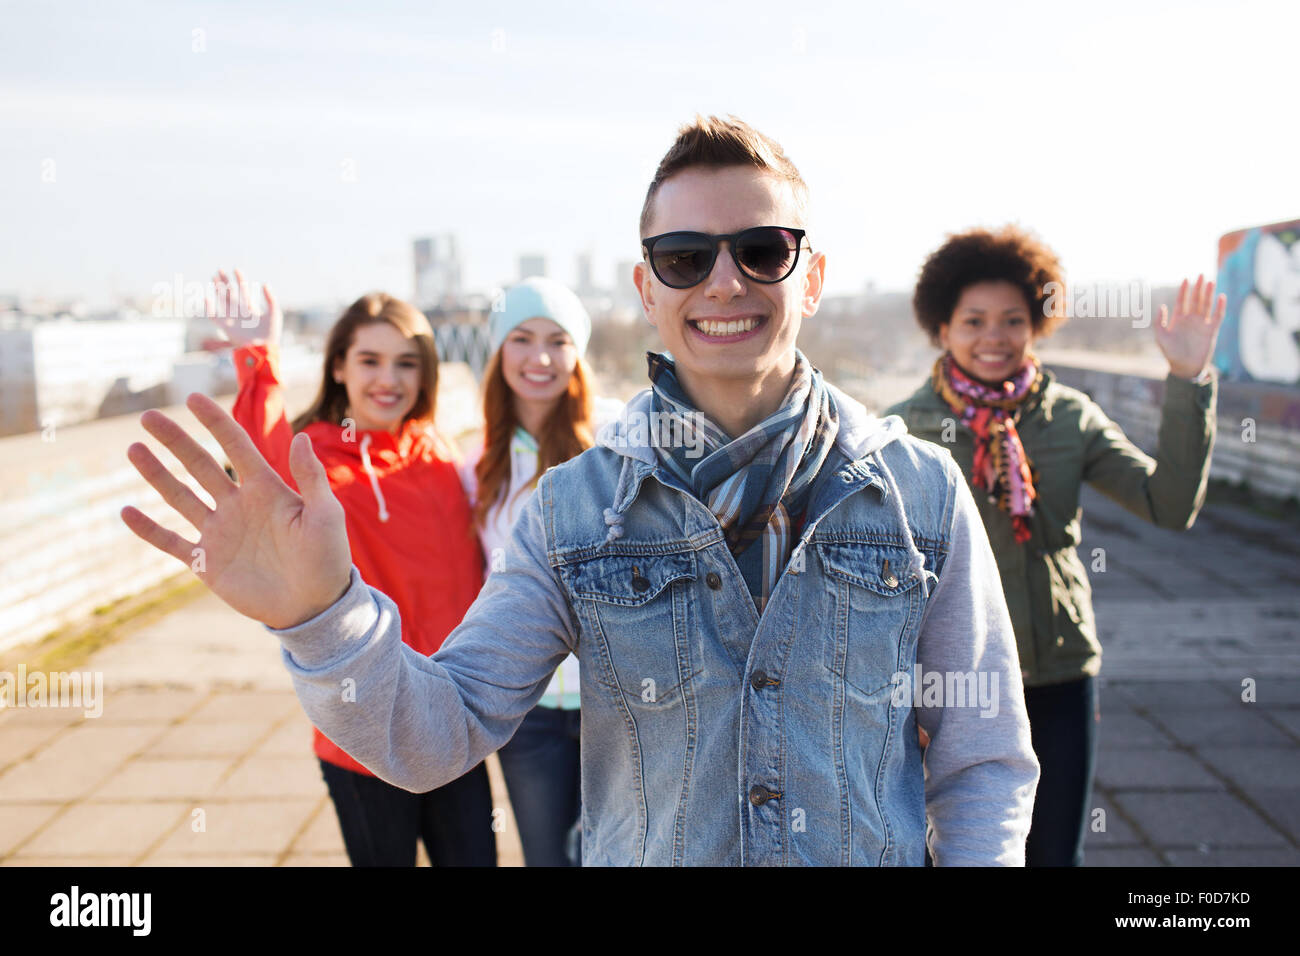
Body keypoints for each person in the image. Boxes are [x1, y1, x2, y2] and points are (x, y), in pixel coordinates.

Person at [122, 116, 1039, 866]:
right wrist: (320, 617)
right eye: (685, 257)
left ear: (815, 279)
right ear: (646, 288)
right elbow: (438, 732)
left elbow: (985, 760)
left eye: (764, 250)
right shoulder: (571, 513)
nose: (725, 280)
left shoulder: (919, 492)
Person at [885, 227, 1223, 866]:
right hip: (952, 684)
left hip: (1059, 672)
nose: (994, 337)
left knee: (1053, 855)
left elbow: (1170, 504)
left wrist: (1187, 378)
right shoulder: (906, 430)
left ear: (1037, 325)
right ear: (942, 328)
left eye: (1013, 320)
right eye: (974, 320)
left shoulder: (1071, 417)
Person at [206, 271, 496, 867]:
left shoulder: (440, 452)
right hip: (364, 730)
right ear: (339, 366)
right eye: (369, 360)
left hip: (450, 718)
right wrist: (258, 356)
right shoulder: (312, 456)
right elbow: (263, 465)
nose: (388, 379)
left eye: (406, 363)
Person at [461, 277, 618, 865]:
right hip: (525, 713)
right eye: (522, 339)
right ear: (500, 352)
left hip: (617, 701)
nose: (540, 357)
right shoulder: (476, 467)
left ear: (577, 354)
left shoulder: (616, 440)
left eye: (558, 340)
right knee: (547, 858)